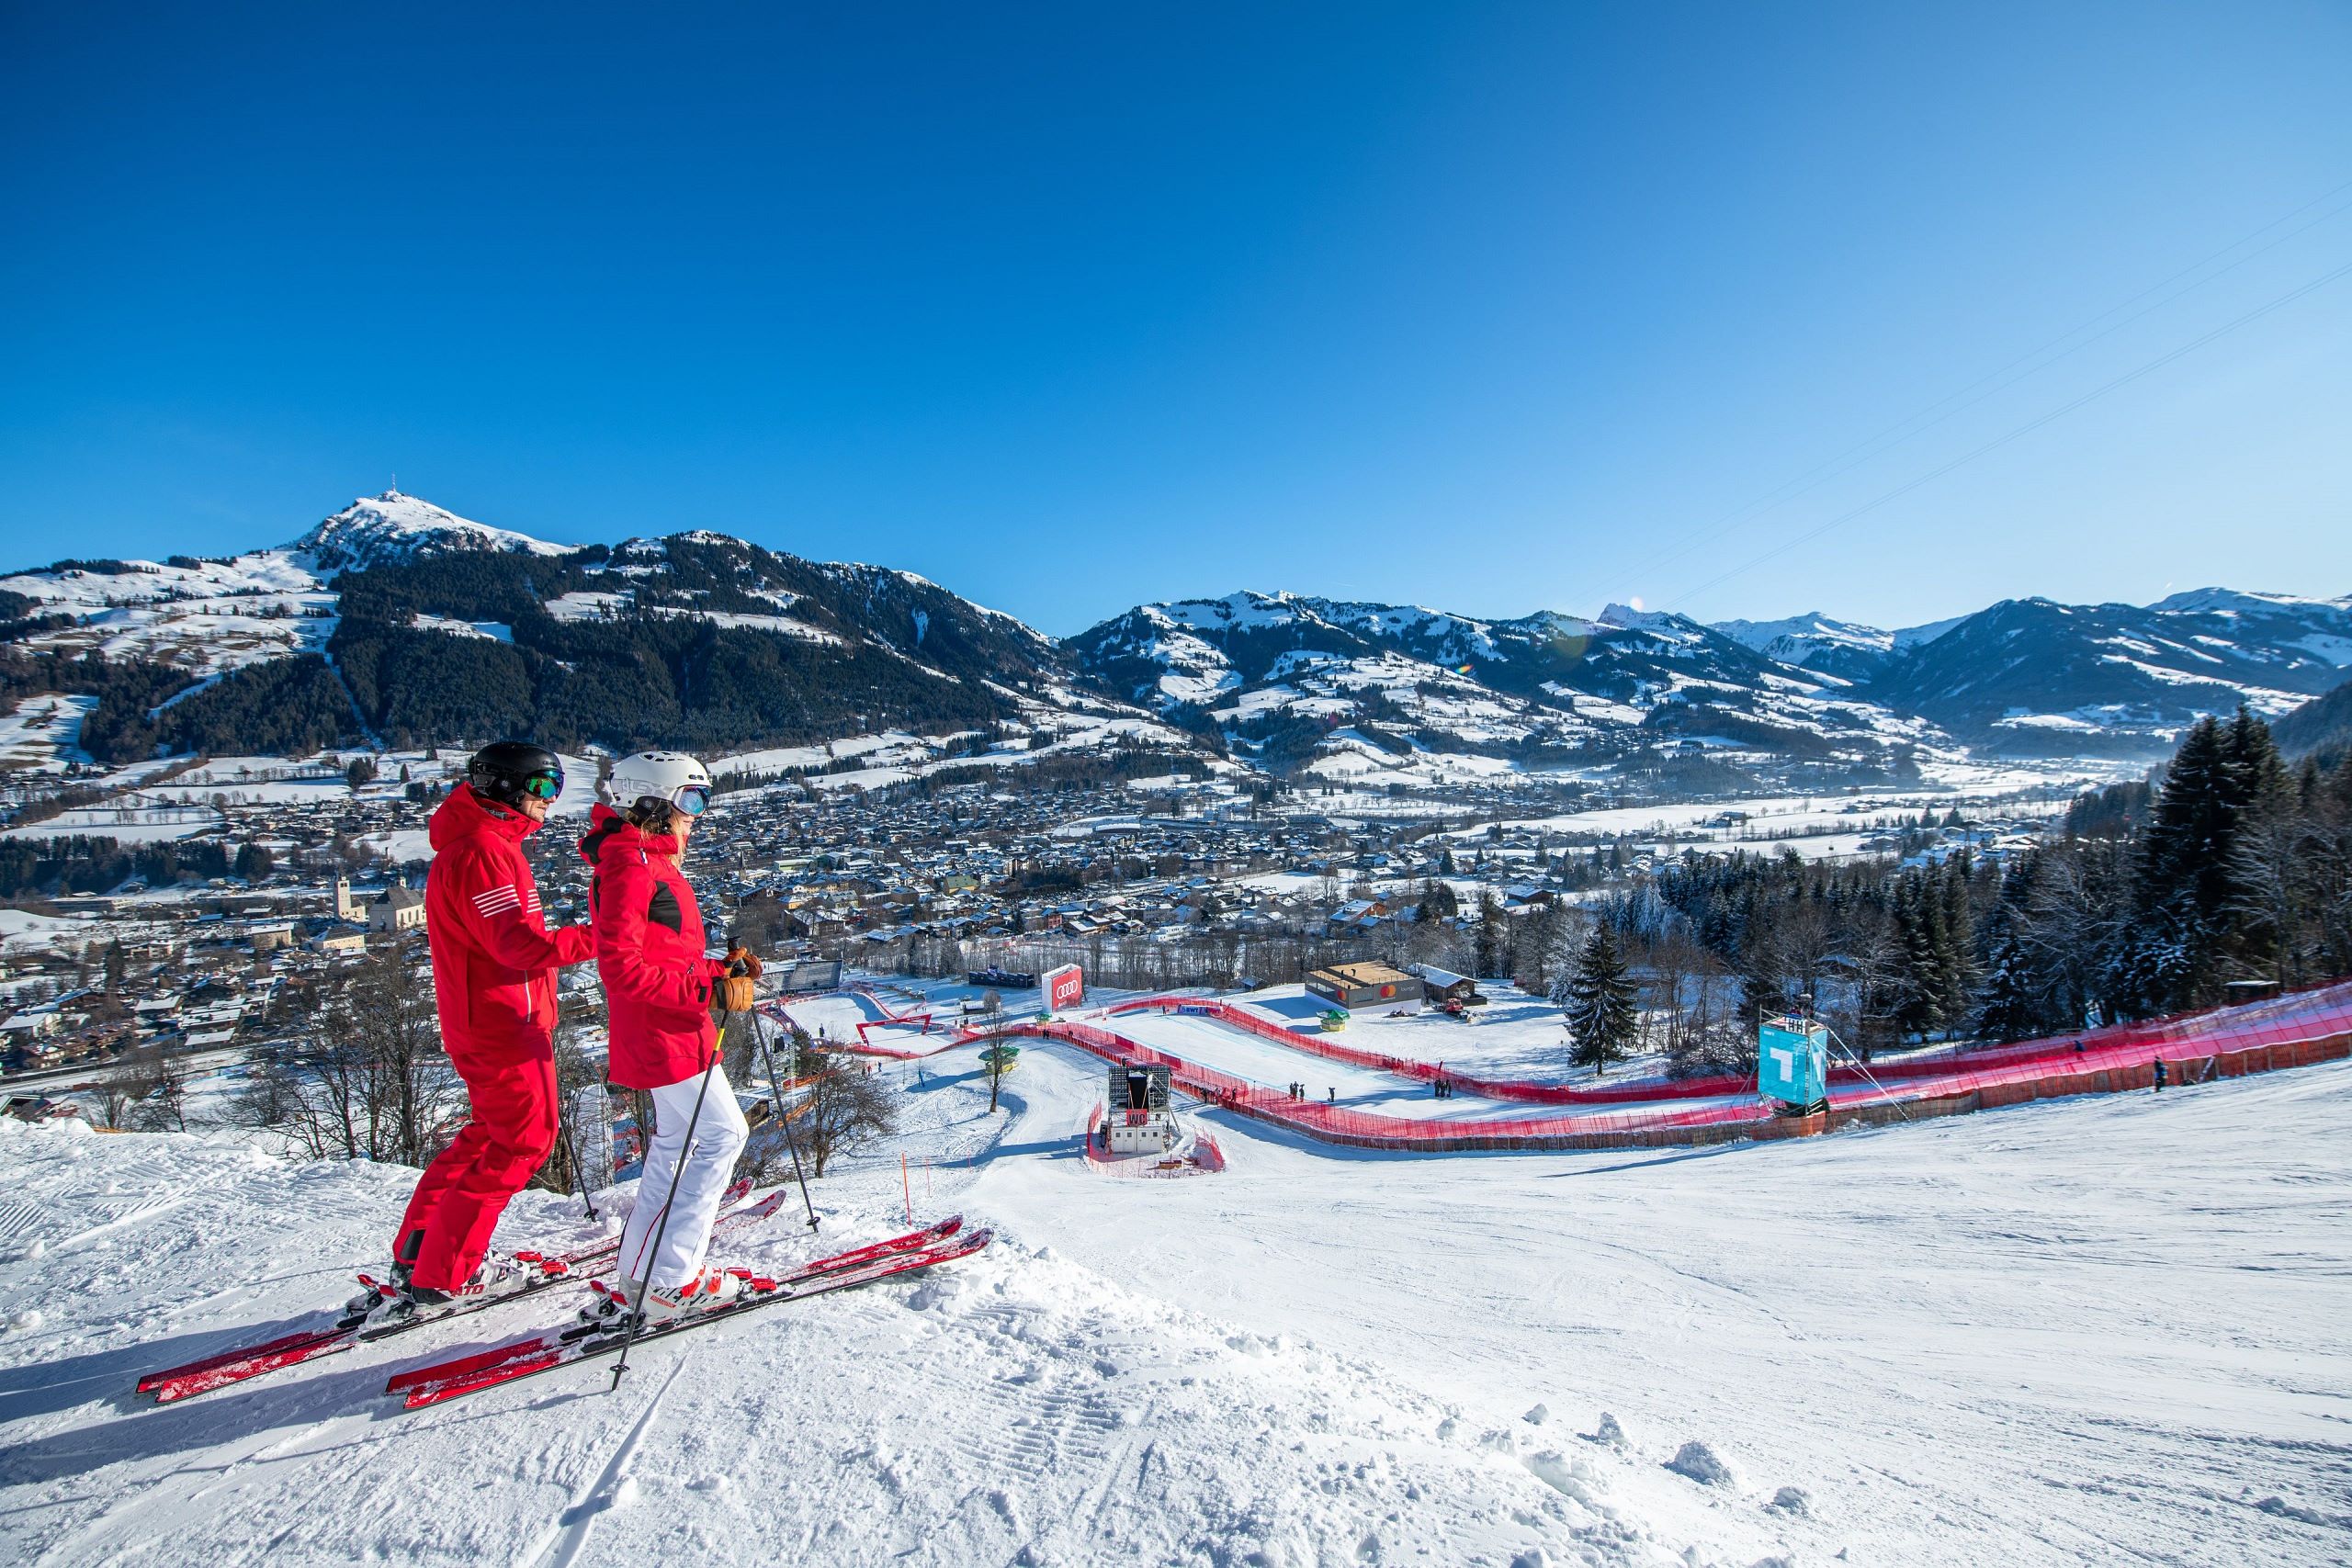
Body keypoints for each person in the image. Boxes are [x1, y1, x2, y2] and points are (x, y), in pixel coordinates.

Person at [379, 741, 594, 1312]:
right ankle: (446, 1271)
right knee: (525, 1140)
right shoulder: (482, 852)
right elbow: (516, 945)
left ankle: (421, 1249)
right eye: (543, 787)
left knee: (489, 1133)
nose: (550, 801)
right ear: (504, 788)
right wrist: (607, 936)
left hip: (489, 1018)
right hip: (503, 1023)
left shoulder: (484, 845)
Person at [578, 750, 761, 1327]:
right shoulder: (633, 870)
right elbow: (624, 970)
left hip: (668, 1027)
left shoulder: (644, 864)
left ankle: (640, 1272)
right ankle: (673, 1279)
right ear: (653, 801)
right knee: (725, 1136)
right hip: (667, 1031)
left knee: (675, 1142)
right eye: (691, 801)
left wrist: (716, 973)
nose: (696, 817)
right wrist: (705, 993)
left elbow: (663, 956)